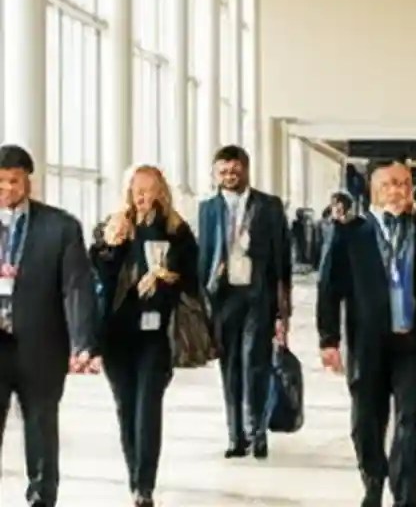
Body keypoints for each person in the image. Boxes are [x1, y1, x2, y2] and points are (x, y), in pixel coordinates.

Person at [318, 160, 416, 507]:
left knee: (411, 421)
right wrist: (328, 339)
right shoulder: (350, 233)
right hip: (368, 344)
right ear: (372, 191)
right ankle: (374, 478)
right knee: (366, 422)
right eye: (389, 184)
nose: (398, 191)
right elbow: (328, 288)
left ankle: (407, 496)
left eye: (404, 184)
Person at [91, 166, 199, 506]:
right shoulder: (111, 226)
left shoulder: (177, 231)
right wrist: (109, 246)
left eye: (151, 189)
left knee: (148, 405)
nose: (144, 196)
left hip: (157, 333)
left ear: (162, 192)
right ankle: (134, 475)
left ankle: (145, 487)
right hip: (118, 334)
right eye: (137, 189)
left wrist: (169, 277)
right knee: (126, 406)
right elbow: (98, 278)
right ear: (127, 192)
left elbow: (192, 282)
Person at [0, 144, 100, 506]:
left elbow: (76, 287)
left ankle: (42, 496)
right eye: (0, 183)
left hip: (40, 345)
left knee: (41, 425)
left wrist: (82, 342)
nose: (7, 190)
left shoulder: (60, 227)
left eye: (14, 181)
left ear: (29, 181)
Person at [197, 145, 292, 460]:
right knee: (230, 368)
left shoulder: (269, 206)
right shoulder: (207, 209)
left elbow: (282, 258)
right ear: (215, 174)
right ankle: (235, 436)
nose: (229, 176)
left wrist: (283, 308)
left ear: (246, 170)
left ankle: (258, 432)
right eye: (223, 171)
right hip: (223, 297)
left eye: (234, 170)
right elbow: (203, 256)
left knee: (256, 363)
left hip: (258, 296)